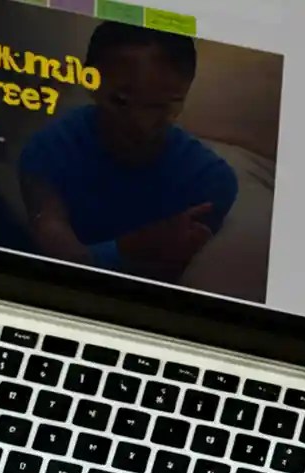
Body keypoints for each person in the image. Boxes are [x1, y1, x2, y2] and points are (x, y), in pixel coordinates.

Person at [18, 21, 239, 283]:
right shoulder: (46, 151)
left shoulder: (211, 182)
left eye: (162, 106)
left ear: (185, 93)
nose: (141, 125)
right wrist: (132, 247)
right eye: (120, 100)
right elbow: (58, 262)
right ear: (89, 81)